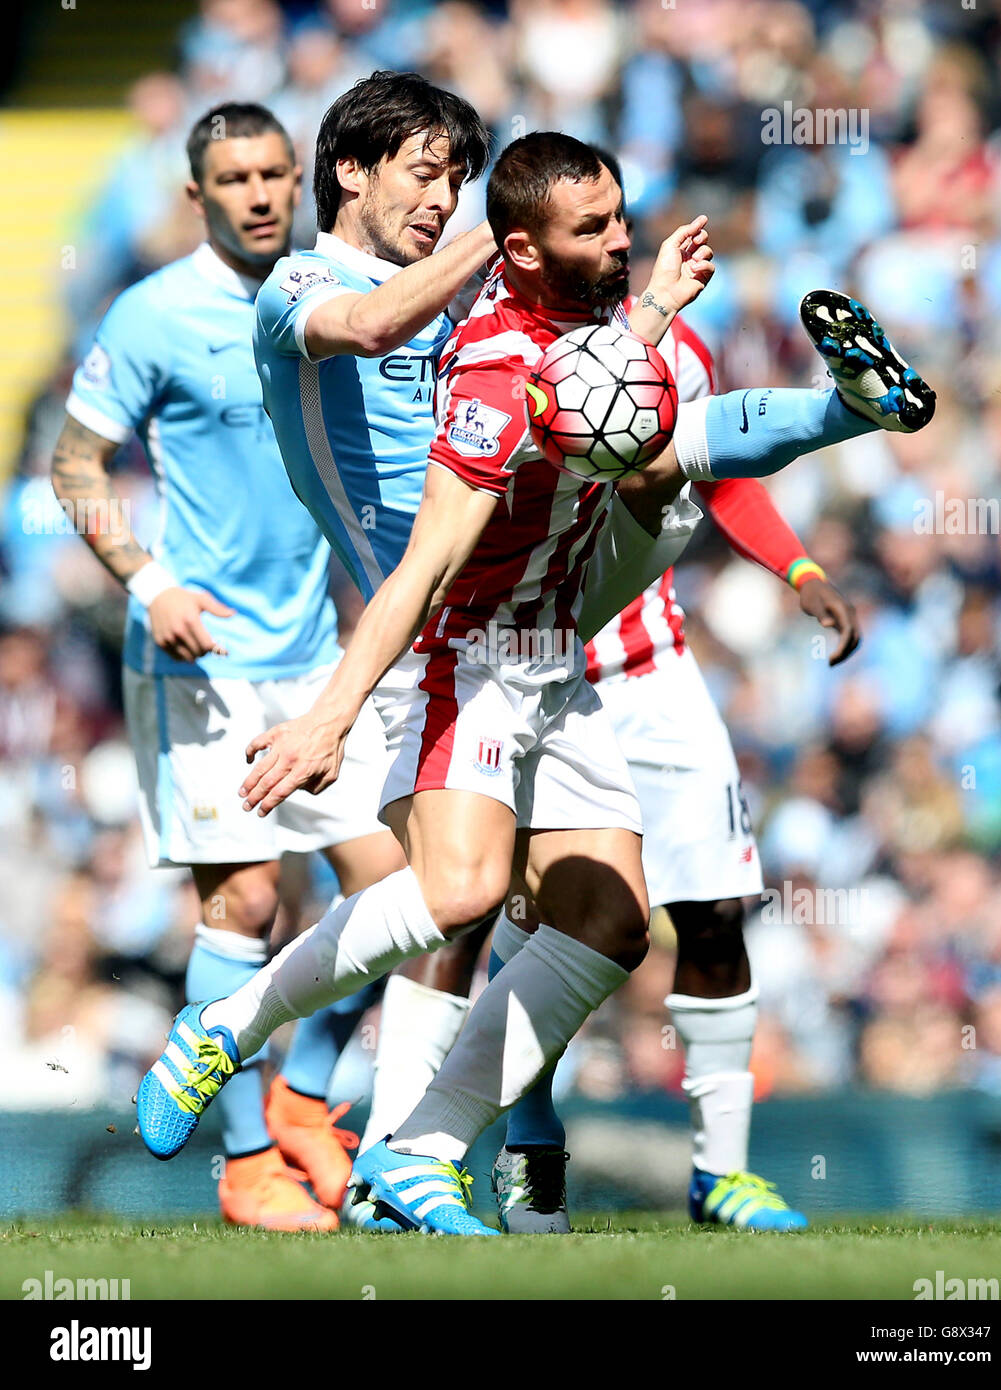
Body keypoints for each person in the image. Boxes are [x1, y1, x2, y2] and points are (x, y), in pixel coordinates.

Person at [135, 128, 934, 1237]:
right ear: (522, 247)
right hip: (466, 657)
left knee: (608, 922)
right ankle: (231, 1024)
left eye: (619, 215)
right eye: (593, 229)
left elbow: (682, 436)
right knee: (459, 897)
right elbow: (428, 561)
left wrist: (838, 412)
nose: (623, 241)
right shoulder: (490, 372)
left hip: (559, 660)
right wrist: (332, 715)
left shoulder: (601, 338)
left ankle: (418, 1149)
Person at [51, 102, 405, 1231]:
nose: (257, 193)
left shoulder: (321, 300)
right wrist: (148, 582)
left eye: (271, 173)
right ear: (196, 193)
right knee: (245, 902)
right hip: (197, 661)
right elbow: (75, 464)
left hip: (314, 657)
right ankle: (246, 1165)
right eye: (233, 177)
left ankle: (305, 1098)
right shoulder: (153, 314)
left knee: (405, 887)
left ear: (296, 183)